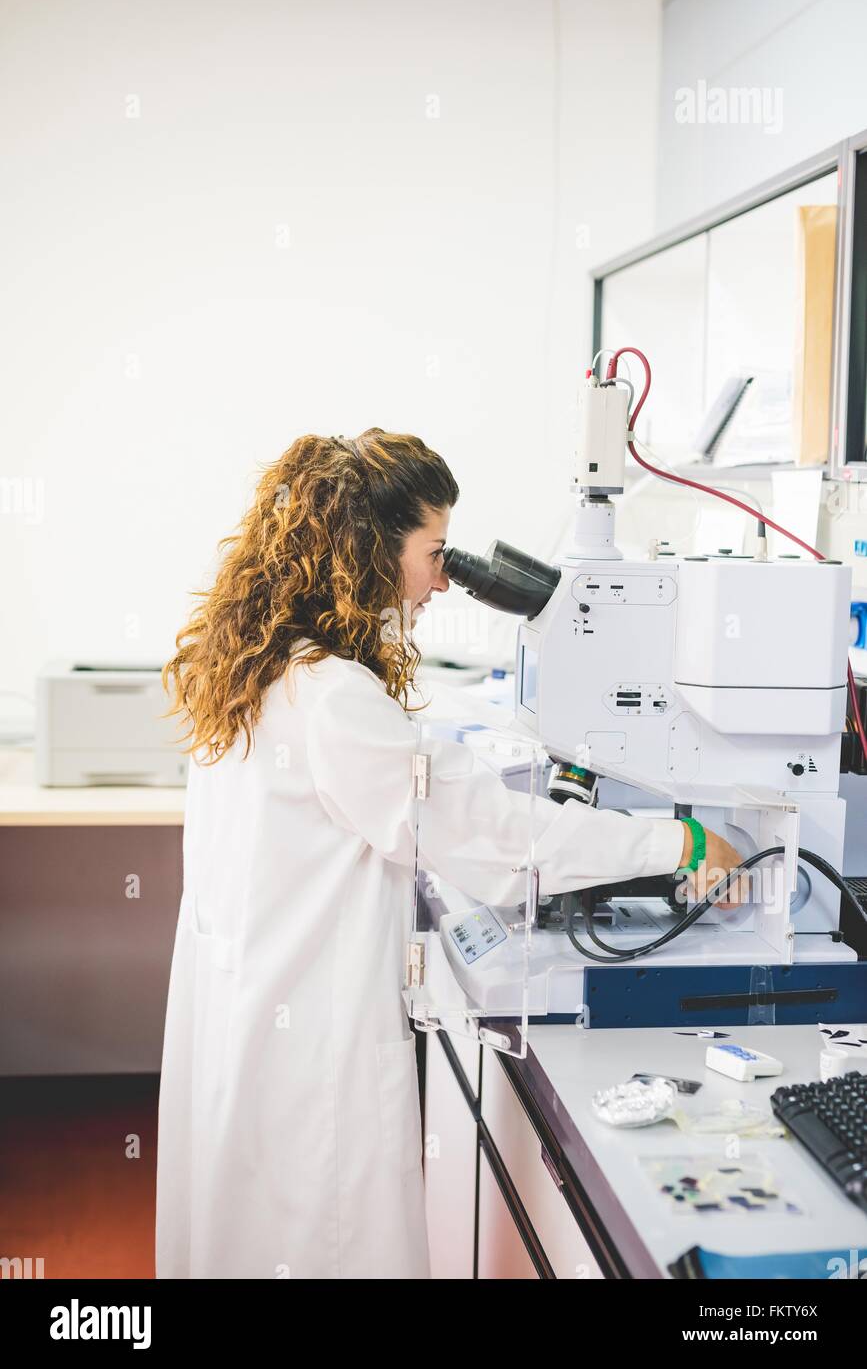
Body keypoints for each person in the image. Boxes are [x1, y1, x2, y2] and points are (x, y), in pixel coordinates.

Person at [154, 427, 741, 1279]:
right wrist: (680, 838)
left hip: (253, 1024)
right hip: (306, 1056)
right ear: (366, 550)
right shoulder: (332, 700)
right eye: (432, 552)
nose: (440, 576)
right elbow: (499, 838)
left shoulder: (268, 666)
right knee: (321, 1243)